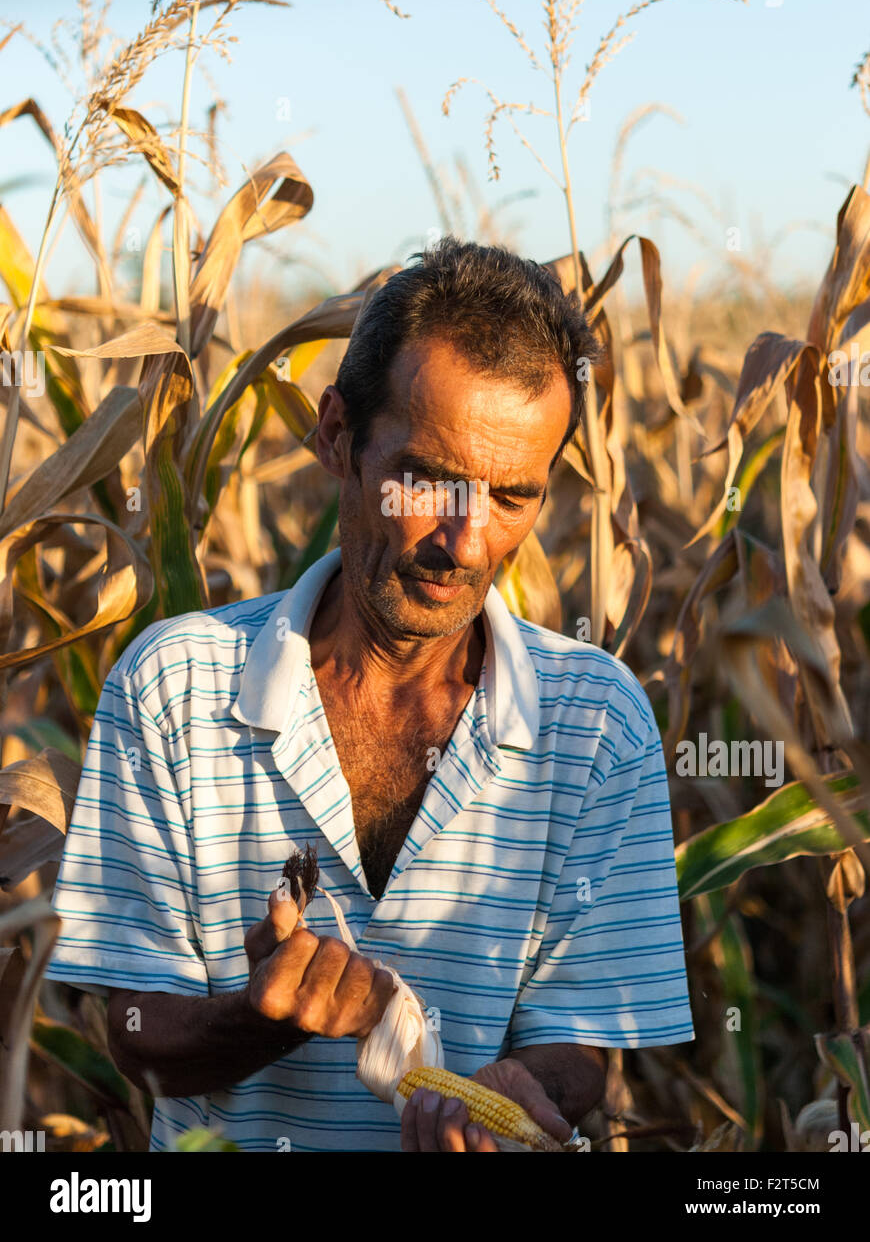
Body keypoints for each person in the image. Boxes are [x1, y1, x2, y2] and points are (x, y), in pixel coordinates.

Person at [43, 236, 694, 1152]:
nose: (466, 545)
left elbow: (580, 1043)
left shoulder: (597, 722)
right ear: (338, 434)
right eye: (428, 481)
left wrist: (521, 1088)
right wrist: (264, 1018)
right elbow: (136, 1035)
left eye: (513, 496)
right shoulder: (171, 688)